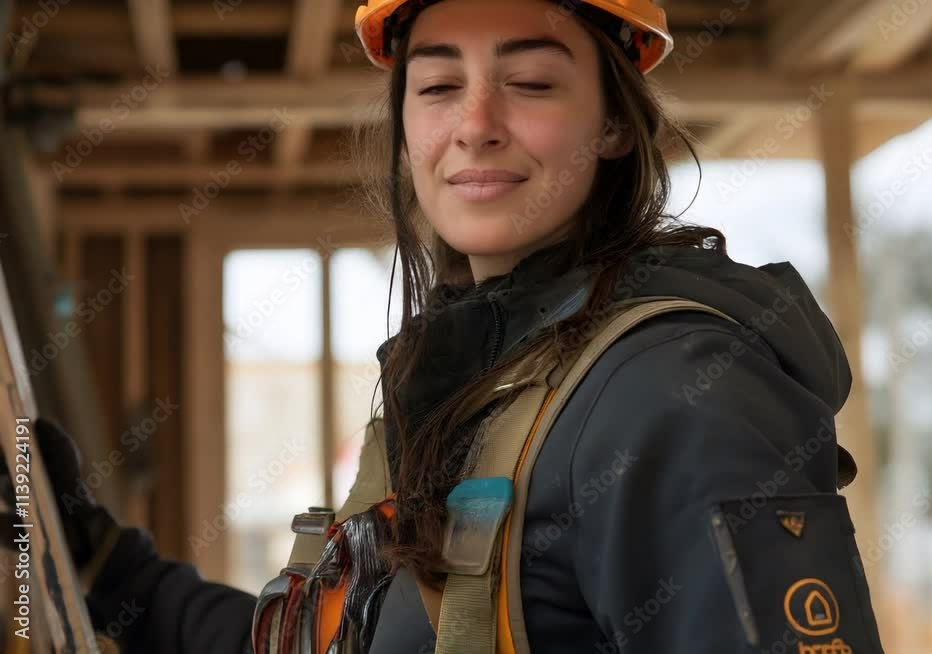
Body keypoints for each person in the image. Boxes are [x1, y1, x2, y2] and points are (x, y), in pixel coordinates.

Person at [1, 0, 887, 652]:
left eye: (530, 83)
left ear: (617, 121)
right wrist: (109, 568)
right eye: (437, 86)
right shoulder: (479, 384)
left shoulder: (677, 396)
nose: (475, 125)